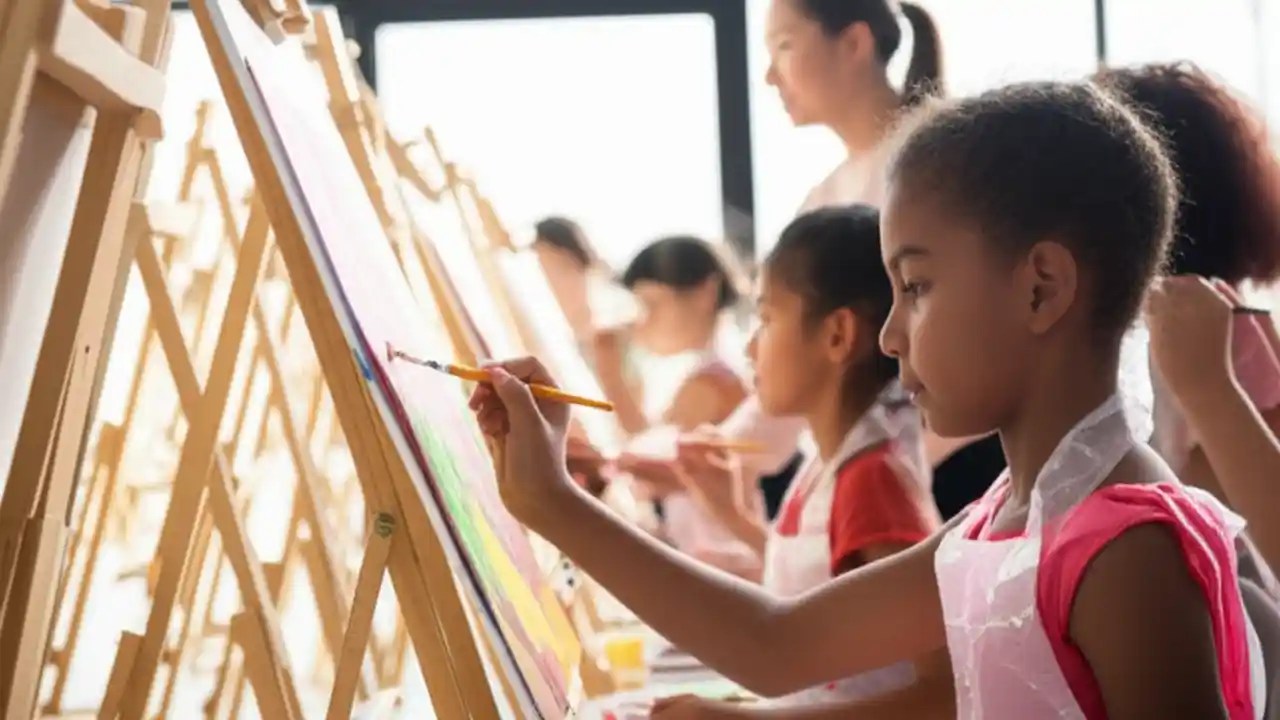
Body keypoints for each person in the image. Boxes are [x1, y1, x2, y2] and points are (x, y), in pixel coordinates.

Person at [470, 82, 1265, 719]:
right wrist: (550, 500)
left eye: (915, 287)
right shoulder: (1004, 516)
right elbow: (774, 645)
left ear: (1040, 287)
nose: (888, 335)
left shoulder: (1125, 550)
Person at [735, 0, 1003, 521]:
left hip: (963, 465)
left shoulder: (948, 161)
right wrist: (711, 449)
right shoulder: (823, 196)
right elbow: (802, 360)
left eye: (784, 47)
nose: (769, 76)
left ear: (855, 43)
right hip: (894, 466)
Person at [674, 205, 948, 712]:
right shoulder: (831, 460)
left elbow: (939, 689)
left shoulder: (872, 477)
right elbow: (827, 594)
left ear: (838, 335)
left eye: (766, 318)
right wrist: (731, 516)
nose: (751, 347)